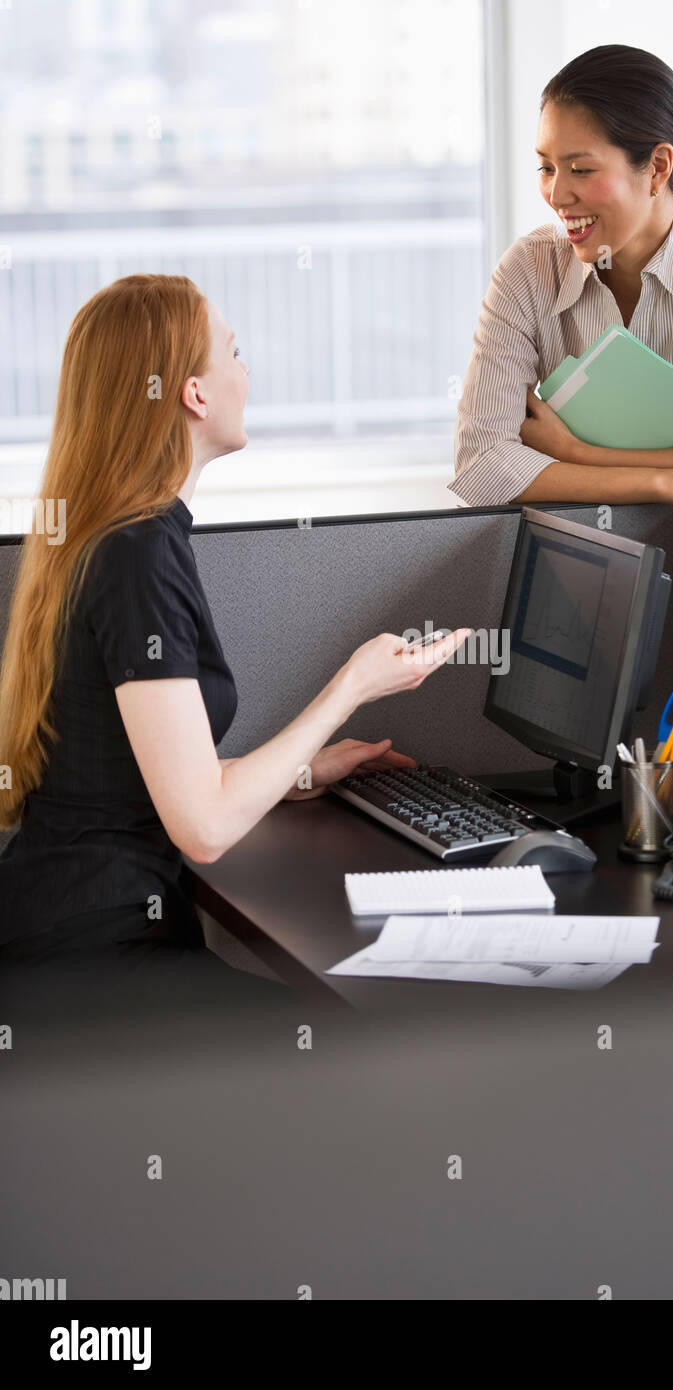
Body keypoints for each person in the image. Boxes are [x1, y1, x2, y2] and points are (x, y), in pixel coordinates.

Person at [0, 274, 469, 1017]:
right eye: (234, 353)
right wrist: (349, 687)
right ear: (192, 394)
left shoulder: (117, 537)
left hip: (71, 922)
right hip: (94, 956)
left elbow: (146, 772)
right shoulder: (137, 554)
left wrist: (306, 773)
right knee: (361, 1044)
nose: (246, 374)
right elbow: (206, 828)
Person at [451, 44, 673, 509]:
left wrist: (575, 453)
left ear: (658, 167)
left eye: (581, 169)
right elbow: (482, 465)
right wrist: (666, 482)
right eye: (546, 167)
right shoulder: (528, 270)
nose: (556, 194)